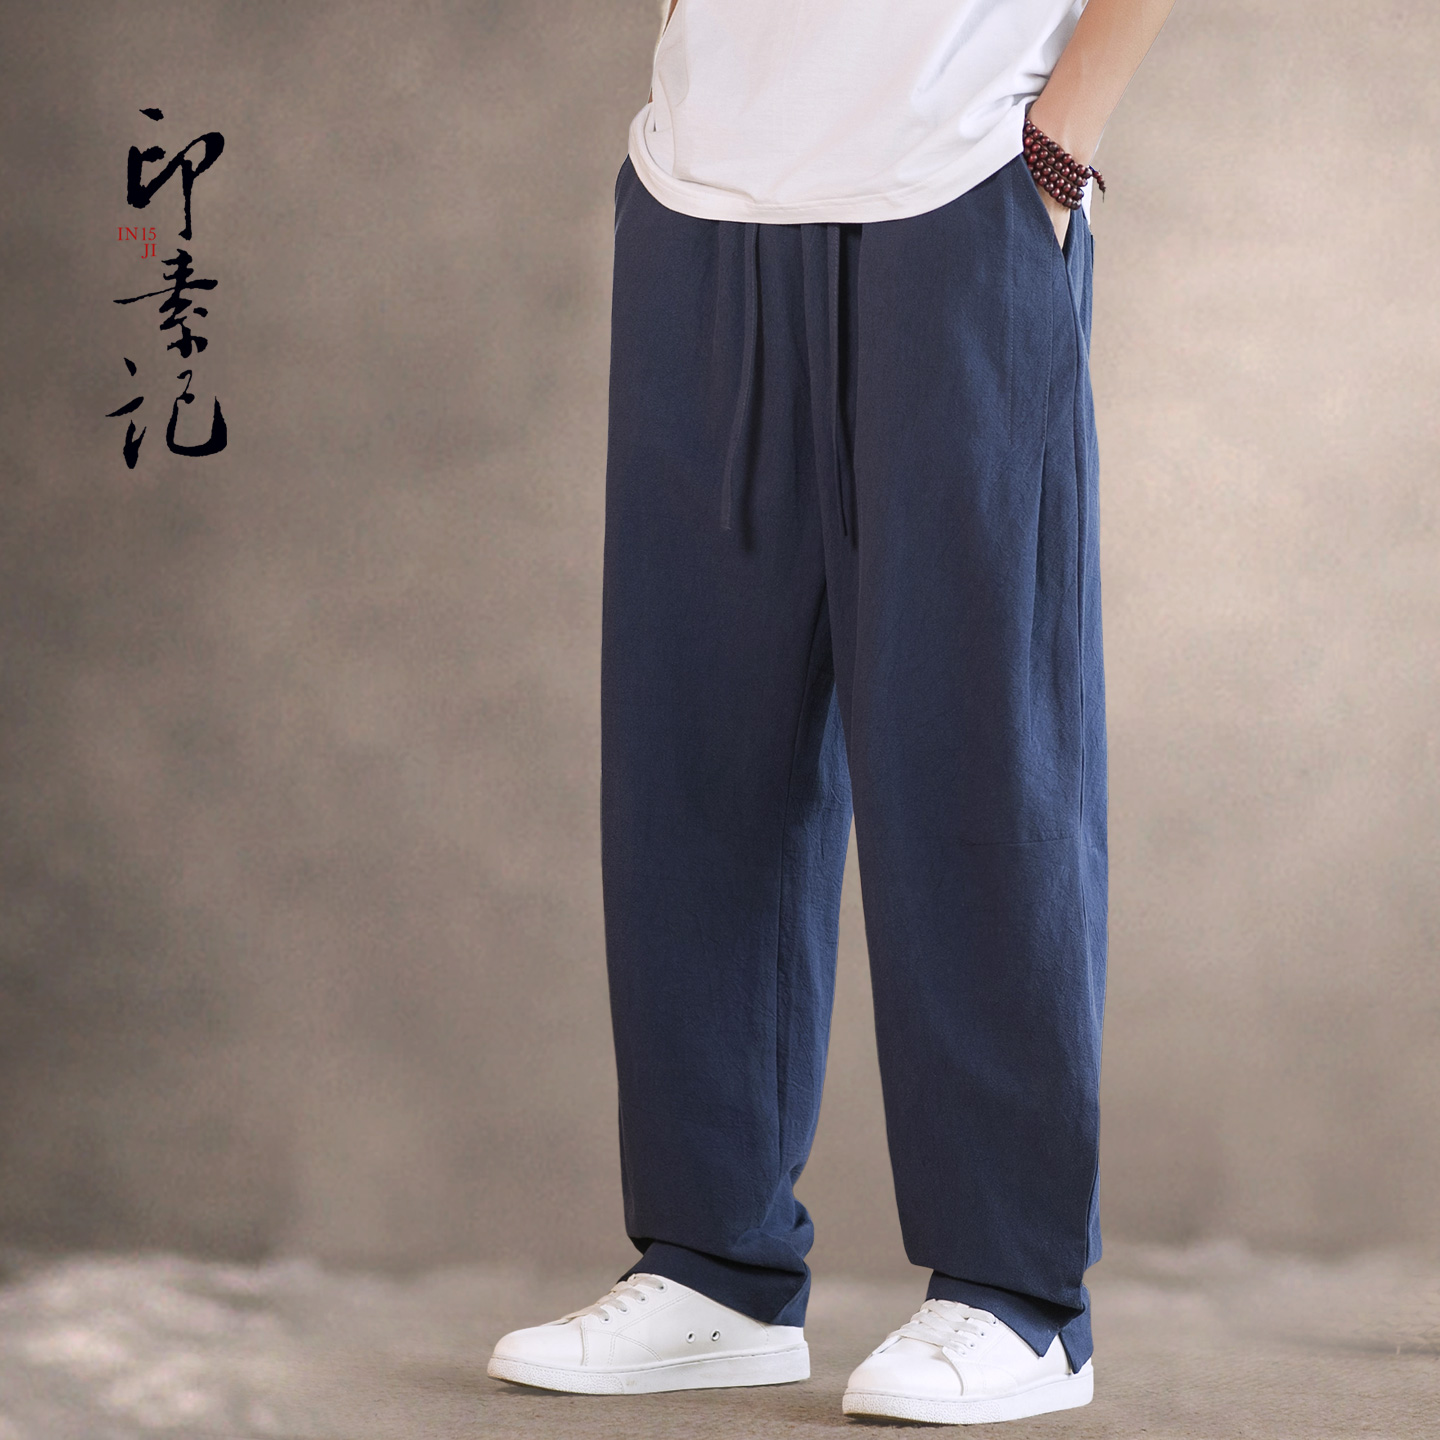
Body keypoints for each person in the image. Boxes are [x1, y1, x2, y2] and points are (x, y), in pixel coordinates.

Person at [489, 0, 1175, 1424]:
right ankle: (715, 1267)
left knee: (974, 746)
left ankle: (1018, 1297)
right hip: (702, 189)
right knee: (694, 748)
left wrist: (1059, 148)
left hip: (960, 178)